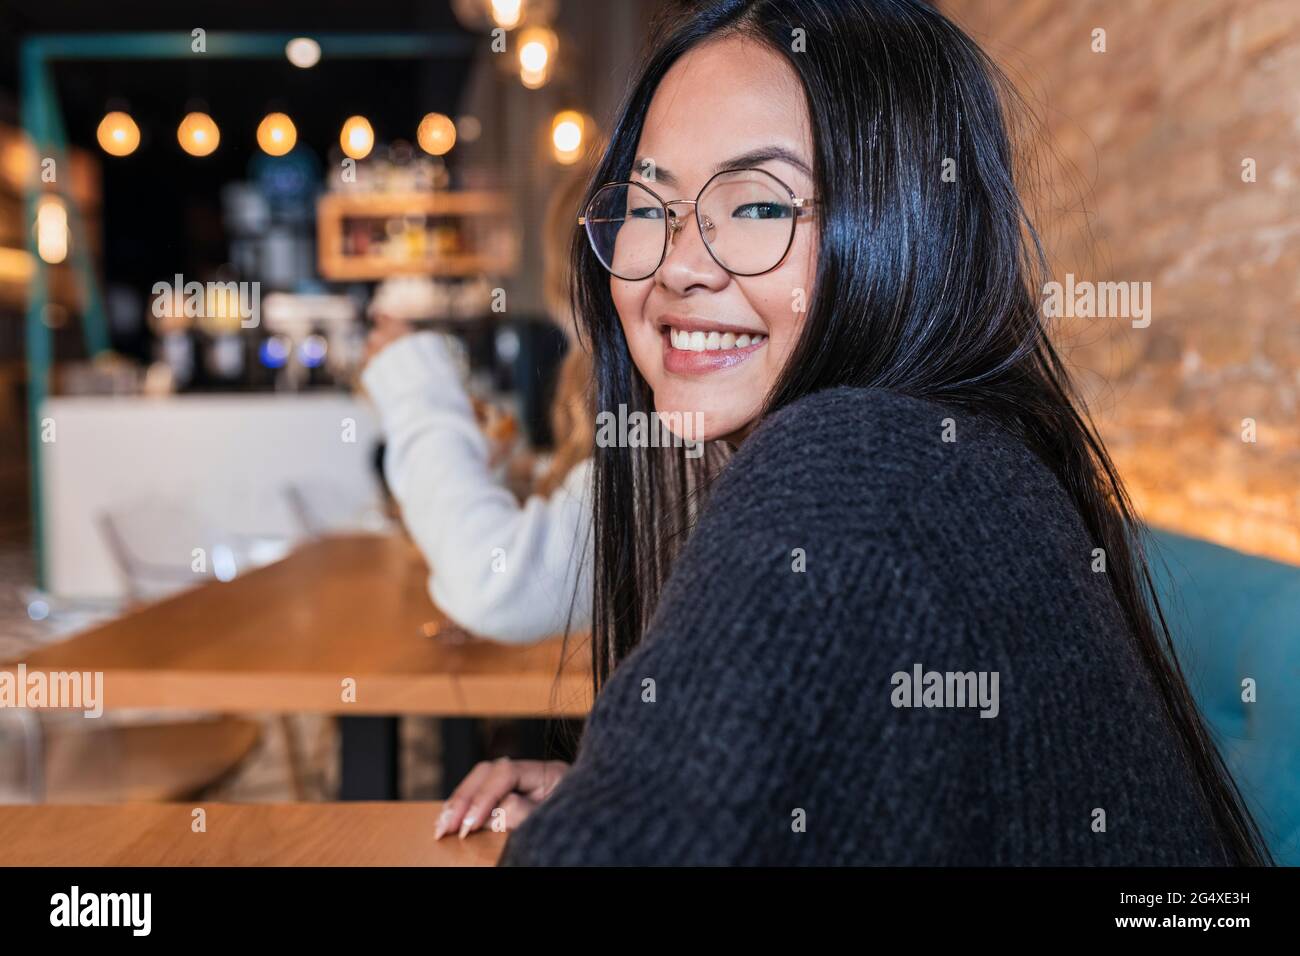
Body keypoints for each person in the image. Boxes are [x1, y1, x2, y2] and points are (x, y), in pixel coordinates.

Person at [439, 0, 1273, 864]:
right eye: (650, 206)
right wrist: (646, 786)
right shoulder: (954, 451)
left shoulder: (855, 460)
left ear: (908, 221)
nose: (679, 265)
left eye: (758, 207)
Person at [361, 166, 596, 645]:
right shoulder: (663, 437)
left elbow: (496, 588)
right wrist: (531, 472)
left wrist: (418, 391)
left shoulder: (671, 439)